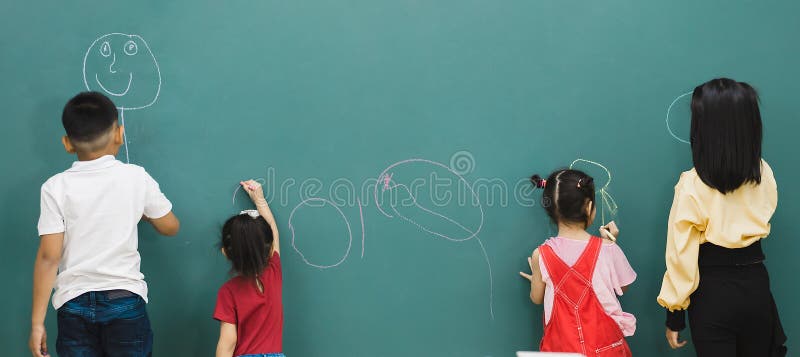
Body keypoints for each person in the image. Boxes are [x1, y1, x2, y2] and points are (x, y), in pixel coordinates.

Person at [30, 91, 180, 357]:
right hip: (124, 298)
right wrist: (142, 211)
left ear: (67, 143)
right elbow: (170, 226)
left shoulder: (54, 187)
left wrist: (36, 324)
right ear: (119, 134)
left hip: (73, 303)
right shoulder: (136, 178)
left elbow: (48, 257)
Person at [658, 78, 787, 356]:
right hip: (756, 287)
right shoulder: (763, 173)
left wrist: (675, 314)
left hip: (712, 294)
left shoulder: (691, 184)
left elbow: (681, 255)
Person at [520, 169, 636, 356]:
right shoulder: (607, 248)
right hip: (606, 350)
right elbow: (624, 286)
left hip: (561, 350)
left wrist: (536, 275)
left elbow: (536, 298)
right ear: (589, 207)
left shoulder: (540, 255)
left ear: (551, 211)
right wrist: (610, 244)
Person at [214, 180, 284, 357]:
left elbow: (227, 344)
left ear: (225, 252)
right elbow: (274, 234)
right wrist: (259, 199)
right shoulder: (273, 273)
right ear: (268, 249)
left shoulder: (228, 292)